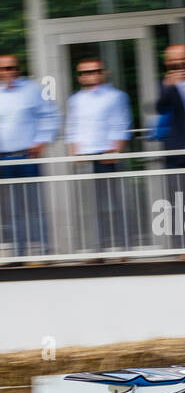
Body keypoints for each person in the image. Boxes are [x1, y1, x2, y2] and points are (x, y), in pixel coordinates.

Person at [65, 56, 132, 250]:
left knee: (116, 205)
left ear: (103, 73)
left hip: (107, 156)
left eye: (94, 71)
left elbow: (122, 123)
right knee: (90, 207)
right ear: (79, 77)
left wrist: (115, 149)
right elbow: (72, 126)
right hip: (85, 158)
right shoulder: (75, 100)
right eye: (85, 72)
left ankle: (122, 247)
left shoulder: (115, 96)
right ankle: (97, 248)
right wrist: (73, 151)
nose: (90, 75)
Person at [0, 53, 58, 256]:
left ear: (18, 69)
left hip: (26, 157)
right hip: (3, 160)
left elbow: (50, 116)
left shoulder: (33, 90)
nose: (7, 72)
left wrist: (40, 142)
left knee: (33, 206)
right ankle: (17, 253)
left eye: (11, 68)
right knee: (9, 210)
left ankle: (41, 251)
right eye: (3, 68)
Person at [154, 44, 185, 168]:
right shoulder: (164, 84)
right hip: (179, 152)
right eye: (174, 61)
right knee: (179, 187)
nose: (180, 63)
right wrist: (169, 86)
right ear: (167, 62)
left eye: (184, 59)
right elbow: (162, 108)